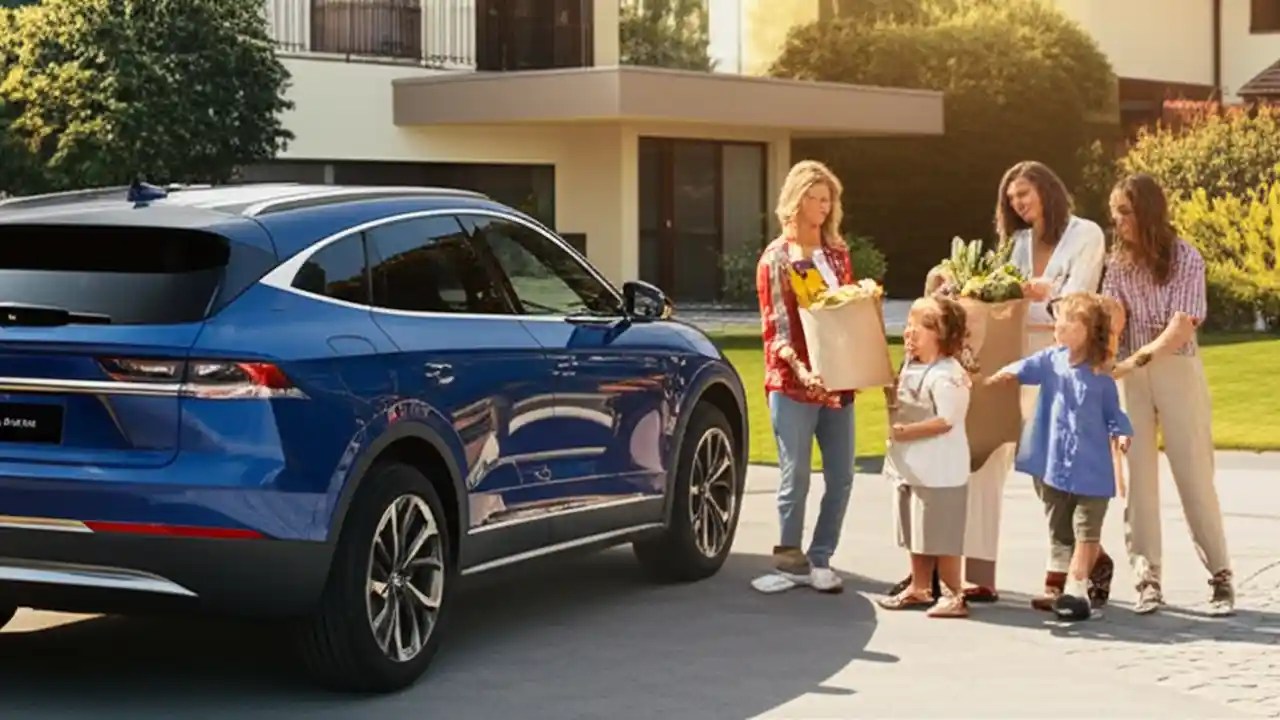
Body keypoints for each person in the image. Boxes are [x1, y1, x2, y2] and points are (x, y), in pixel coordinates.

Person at [1103, 173, 1235, 616]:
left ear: (1147, 212)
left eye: (1124, 212)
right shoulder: (1117, 263)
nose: (1117, 221)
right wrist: (1109, 343)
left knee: (1193, 475)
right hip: (1131, 377)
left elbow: (1182, 325)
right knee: (1137, 482)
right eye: (1114, 213)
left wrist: (1139, 358)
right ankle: (1147, 580)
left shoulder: (1186, 258)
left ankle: (1220, 577)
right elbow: (1114, 312)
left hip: (1174, 368)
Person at [989, 160, 1113, 610]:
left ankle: (1062, 571)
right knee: (1041, 469)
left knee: (1069, 467)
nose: (1019, 205)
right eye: (1012, 199)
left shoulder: (1087, 234)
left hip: (1071, 361)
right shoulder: (1017, 243)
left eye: (1024, 194)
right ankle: (1091, 554)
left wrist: (1044, 295)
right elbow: (999, 295)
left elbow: (1079, 299)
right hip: (1028, 354)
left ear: (1046, 189)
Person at [986, 292, 1133, 621]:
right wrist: (1007, 373)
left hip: (1092, 471)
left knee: (1085, 530)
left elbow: (1115, 415)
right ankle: (1065, 580)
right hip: (1054, 464)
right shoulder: (1051, 360)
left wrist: (1122, 434)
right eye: (1060, 318)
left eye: (1068, 320)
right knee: (1059, 528)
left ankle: (1075, 591)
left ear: (1087, 330)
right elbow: (1027, 367)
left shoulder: (1100, 379)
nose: (1059, 324)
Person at [750, 160, 856, 595]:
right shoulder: (776, 259)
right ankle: (788, 560)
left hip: (838, 380)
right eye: (812, 197)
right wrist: (801, 369)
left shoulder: (837, 255)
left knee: (842, 474)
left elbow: (847, 315)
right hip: (793, 382)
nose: (820, 205)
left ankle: (822, 558)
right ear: (795, 202)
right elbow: (776, 327)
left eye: (826, 198)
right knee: (796, 475)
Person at [877, 297, 973, 618]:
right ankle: (920, 587)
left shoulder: (948, 374)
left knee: (941, 531)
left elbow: (947, 419)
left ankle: (952, 592)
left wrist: (908, 431)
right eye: (908, 325)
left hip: (941, 470)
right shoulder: (912, 367)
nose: (909, 332)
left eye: (918, 327)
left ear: (940, 333)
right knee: (916, 528)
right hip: (911, 468)